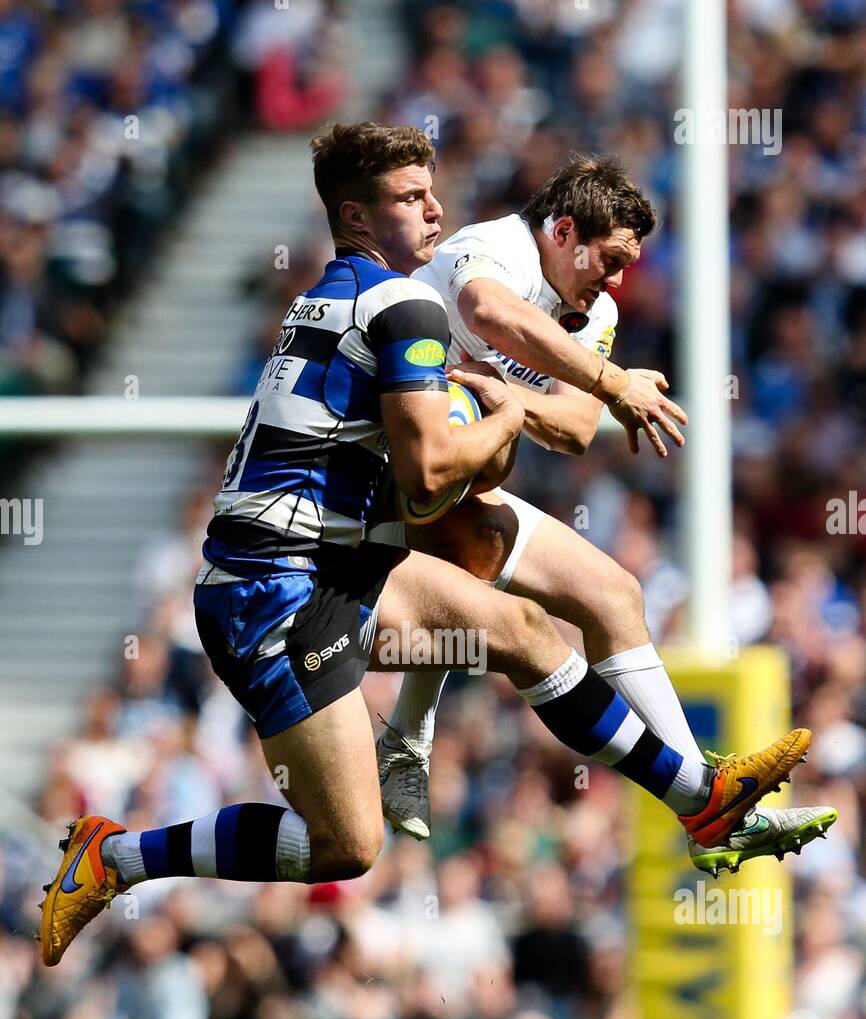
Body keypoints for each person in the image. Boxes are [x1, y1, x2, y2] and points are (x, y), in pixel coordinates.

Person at [40, 123, 813, 967]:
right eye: (410, 197)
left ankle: (700, 798)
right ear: (356, 216)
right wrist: (511, 415)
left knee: (526, 633)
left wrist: (503, 416)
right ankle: (115, 857)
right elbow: (431, 473)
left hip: (335, 565)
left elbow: (498, 451)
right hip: (276, 590)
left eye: (430, 188)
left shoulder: (340, 294)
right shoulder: (408, 302)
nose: (436, 208)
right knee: (346, 848)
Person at [359, 136, 836, 873]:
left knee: (614, 594)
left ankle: (709, 806)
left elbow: (575, 430)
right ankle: (410, 739)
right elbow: (490, 314)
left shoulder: (596, 312)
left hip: (455, 484)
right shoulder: (488, 250)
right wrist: (608, 383)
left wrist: (501, 392)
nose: (616, 280)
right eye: (608, 259)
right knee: (469, 482)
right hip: (379, 479)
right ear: (562, 234)